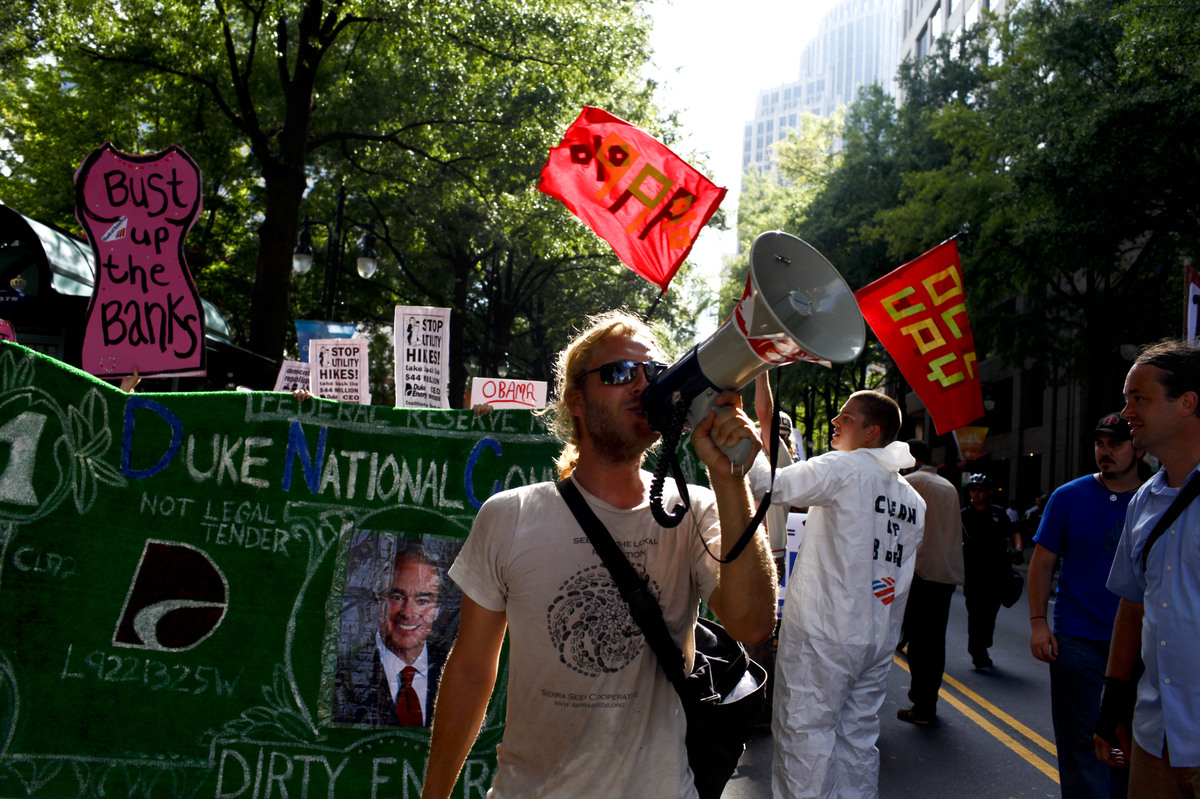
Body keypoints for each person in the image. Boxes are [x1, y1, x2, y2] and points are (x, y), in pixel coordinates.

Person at [421, 310, 777, 799]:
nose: (641, 385)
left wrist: (730, 477)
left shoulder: (697, 508)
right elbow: (469, 671)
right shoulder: (510, 516)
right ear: (576, 399)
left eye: (653, 373)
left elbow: (753, 624)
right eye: (618, 373)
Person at [748, 384, 924, 799]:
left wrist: (748, 438)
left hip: (824, 633)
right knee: (857, 738)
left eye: (846, 417)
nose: (834, 421)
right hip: (877, 638)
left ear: (871, 432)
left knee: (804, 733)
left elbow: (766, 484)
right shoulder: (913, 500)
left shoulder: (844, 468)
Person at [1095, 339, 1200, 794]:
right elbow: (1133, 606)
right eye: (1126, 399)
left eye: (1139, 398)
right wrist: (1113, 706)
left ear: (1187, 403)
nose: (1126, 413)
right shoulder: (1143, 501)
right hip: (1155, 736)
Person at [1028, 413, 1144, 798]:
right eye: (1099, 444)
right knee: (1082, 740)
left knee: (1128, 741)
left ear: (1137, 449)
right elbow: (1042, 563)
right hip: (1077, 637)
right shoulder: (1068, 496)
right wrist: (1039, 622)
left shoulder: (1155, 499)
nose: (1105, 452)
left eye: (1116, 444)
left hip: (1140, 643)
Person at [334, 541, 445, 727]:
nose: (408, 613)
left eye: (422, 601)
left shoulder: (456, 671)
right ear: (377, 602)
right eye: (397, 597)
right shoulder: (342, 677)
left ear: (437, 609)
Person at [897, 438, 964, 726]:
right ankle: (927, 700)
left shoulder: (910, 483)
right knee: (934, 642)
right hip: (945, 574)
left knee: (919, 643)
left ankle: (922, 704)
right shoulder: (948, 485)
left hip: (920, 572)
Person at [962, 473, 1022, 671]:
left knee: (990, 614)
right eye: (972, 489)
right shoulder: (964, 515)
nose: (976, 493)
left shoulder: (998, 513)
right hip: (973, 573)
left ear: (988, 492)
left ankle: (983, 644)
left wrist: (1019, 549)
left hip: (996, 573)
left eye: (980, 489)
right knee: (974, 613)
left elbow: (1014, 532)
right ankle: (976, 651)